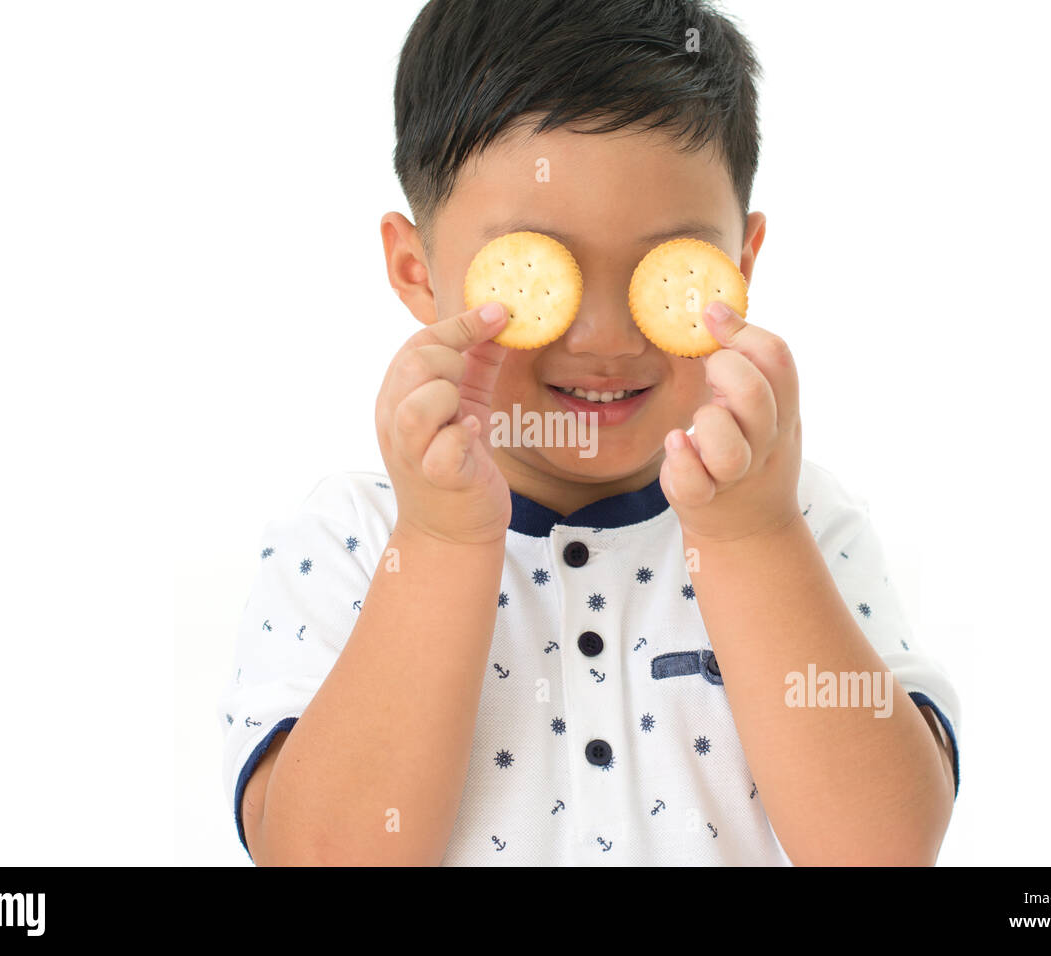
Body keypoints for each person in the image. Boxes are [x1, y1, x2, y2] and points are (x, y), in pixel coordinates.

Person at [217, 0, 960, 866]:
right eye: (540, 268)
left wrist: (754, 538)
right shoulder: (349, 541)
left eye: (666, 267)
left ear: (741, 264)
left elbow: (882, 849)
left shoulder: (800, 521)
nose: (607, 335)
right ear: (417, 269)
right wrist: (441, 539)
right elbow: (320, 857)